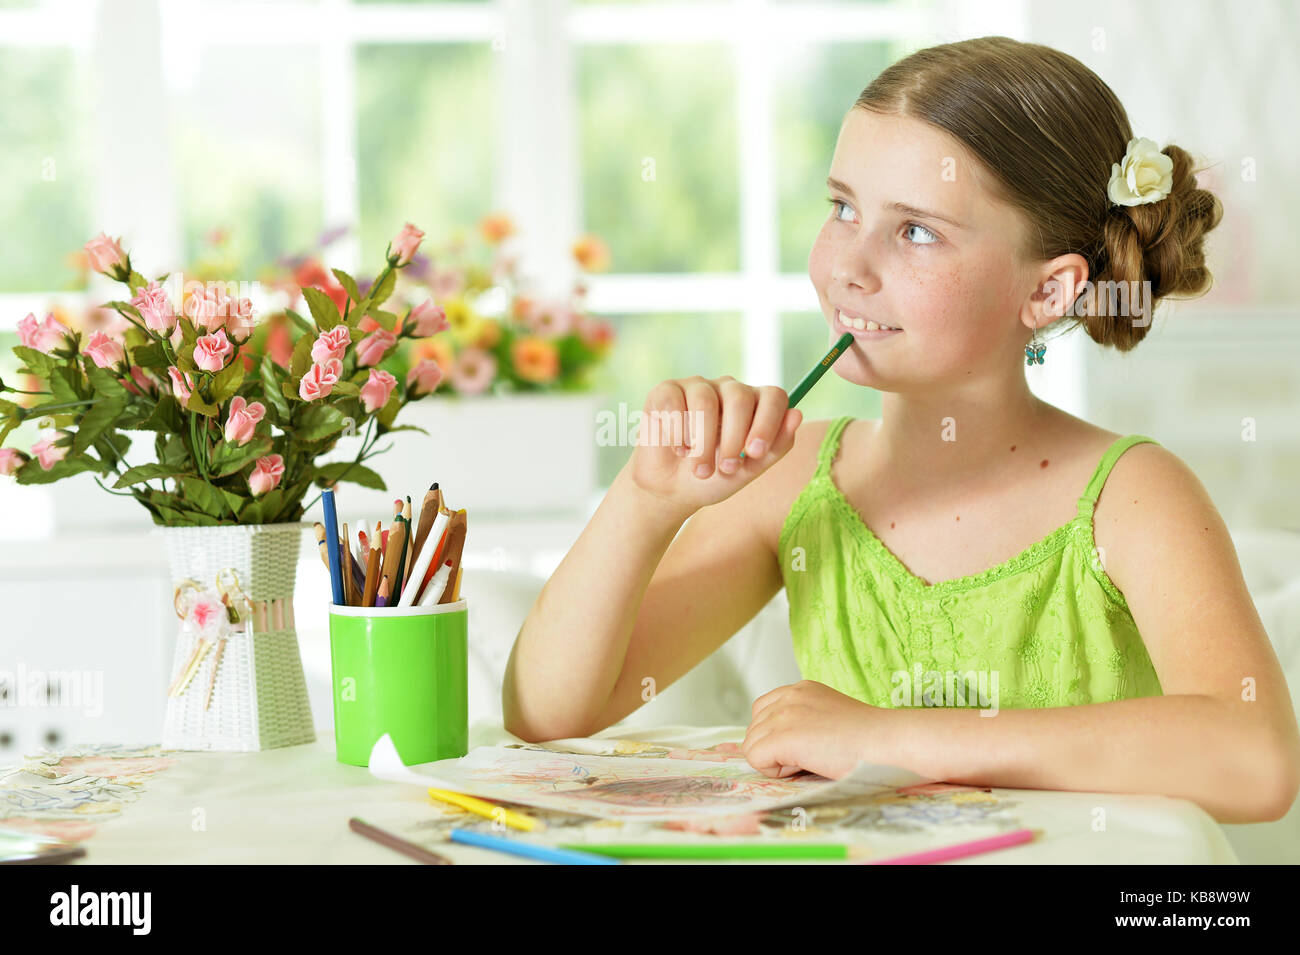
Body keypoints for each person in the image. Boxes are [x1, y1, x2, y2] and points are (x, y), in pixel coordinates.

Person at [504, 36, 1299, 824]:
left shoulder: (1130, 498)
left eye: (916, 230)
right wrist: (644, 502)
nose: (849, 264)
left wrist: (895, 738)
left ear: (1050, 289)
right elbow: (546, 713)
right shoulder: (794, 481)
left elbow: (1257, 760)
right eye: (843, 207)